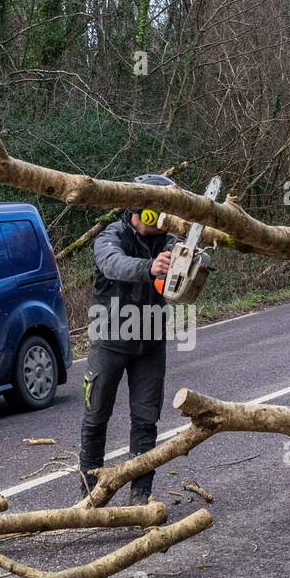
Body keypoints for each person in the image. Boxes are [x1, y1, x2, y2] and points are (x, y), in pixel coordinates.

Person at [79, 173, 179, 503]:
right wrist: (150, 268)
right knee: (96, 417)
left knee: (146, 419)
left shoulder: (170, 242)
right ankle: (90, 492)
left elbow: (188, 271)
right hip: (109, 338)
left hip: (150, 340)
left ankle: (140, 495)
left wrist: (194, 264)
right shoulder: (111, 237)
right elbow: (114, 265)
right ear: (144, 212)